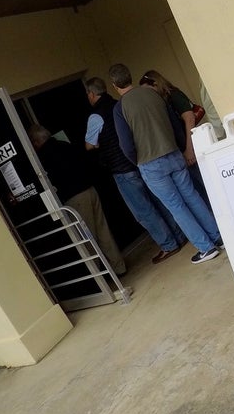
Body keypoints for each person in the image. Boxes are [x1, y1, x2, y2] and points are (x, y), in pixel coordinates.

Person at [110, 63, 223, 264]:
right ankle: (217, 237)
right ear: (130, 76)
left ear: (114, 84)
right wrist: (180, 148)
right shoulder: (153, 93)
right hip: (173, 153)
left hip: (150, 163)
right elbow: (173, 123)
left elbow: (125, 144)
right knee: (192, 196)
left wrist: (137, 161)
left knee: (176, 206)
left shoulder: (120, 108)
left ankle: (206, 247)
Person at [85, 77, 188, 265]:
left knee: (144, 211)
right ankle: (180, 235)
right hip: (141, 160)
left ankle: (168, 244)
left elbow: (89, 145)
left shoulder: (95, 117)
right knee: (160, 200)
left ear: (91, 94)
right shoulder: (120, 105)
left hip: (122, 169)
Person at [28, 124, 127, 275]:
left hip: (75, 198)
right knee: (103, 231)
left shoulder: (42, 158)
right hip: (89, 190)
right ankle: (119, 267)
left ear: (36, 142)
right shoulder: (64, 145)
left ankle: (99, 277)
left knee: (86, 238)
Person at [137, 70, 210, 203]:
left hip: (191, 147)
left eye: (148, 90)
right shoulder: (161, 101)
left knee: (207, 185)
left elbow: (189, 119)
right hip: (182, 151)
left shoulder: (173, 95)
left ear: (155, 84)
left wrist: (189, 149)